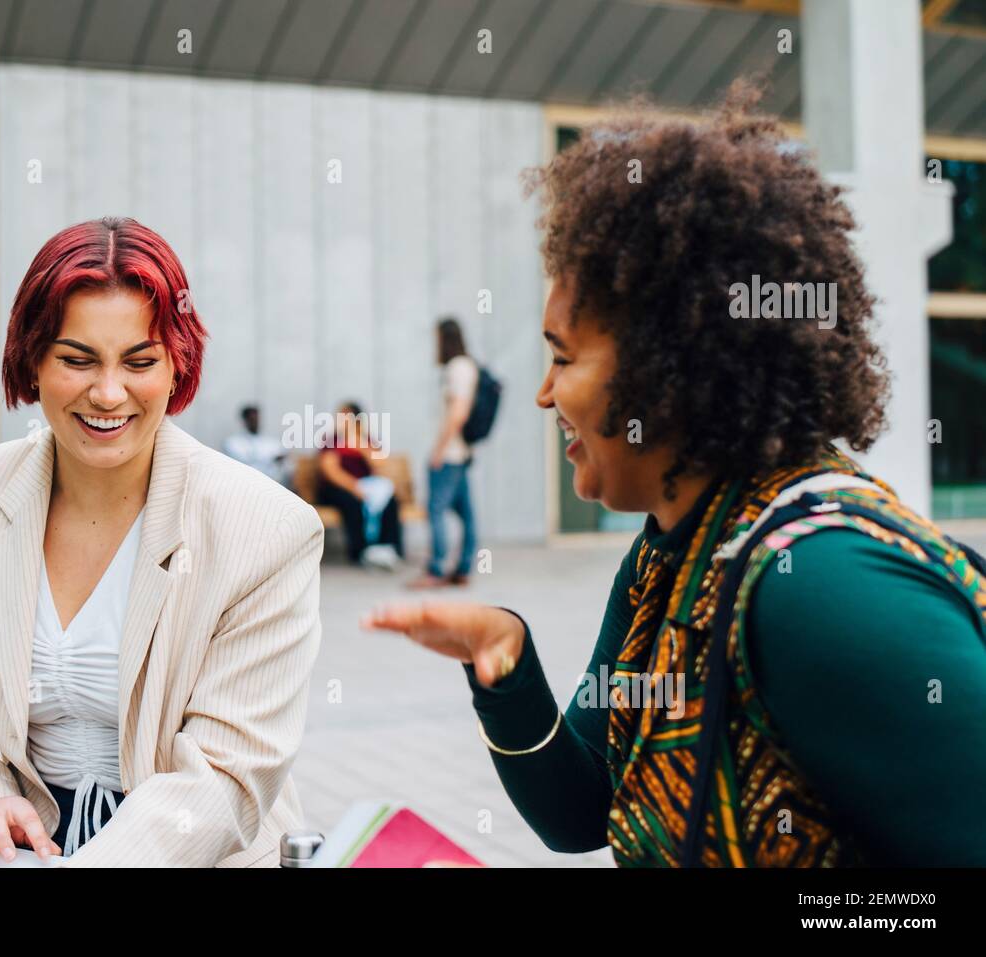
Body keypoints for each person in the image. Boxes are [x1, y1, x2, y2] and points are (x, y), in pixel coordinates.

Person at [363, 85, 986, 866]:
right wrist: (508, 665)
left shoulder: (822, 585)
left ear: (671, 369)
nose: (543, 393)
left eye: (562, 356)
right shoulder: (672, 550)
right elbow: (585, 808)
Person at [0, 216, 324, 867]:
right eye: (78, 358)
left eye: (140, 361)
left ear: (178, 365)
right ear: (30, 360)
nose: (109, 392)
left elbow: (226, 778)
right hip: (22, 848)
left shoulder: (266, 529)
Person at [409, 317, 479, 589]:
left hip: (449, 454)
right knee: (466, 513)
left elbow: (458, 412)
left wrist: (438, 450)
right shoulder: (466, 367)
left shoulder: (458, 367)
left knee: (435, 509)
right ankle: (462, 568)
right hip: (460, 454)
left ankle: (437, 569)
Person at [316, 402, 403, 570]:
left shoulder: (367, 440)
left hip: (365, 487)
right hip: (337, 489)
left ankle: (388, 549)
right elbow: (330, 471)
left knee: (391, 501)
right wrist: (354, 487)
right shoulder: (332, 441)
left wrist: (360, 445)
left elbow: (381, 464)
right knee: (352, 502)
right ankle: (361, 552)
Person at [223, 404, 288, 485]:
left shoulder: (271, 442)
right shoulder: (232, 443)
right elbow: (244, 465)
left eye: (257, 419)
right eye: (252, 419)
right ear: (245, 420)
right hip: (244, 484)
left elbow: (281, 466)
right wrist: (271, 460)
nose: (255, 422)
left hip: (270, 485)